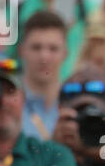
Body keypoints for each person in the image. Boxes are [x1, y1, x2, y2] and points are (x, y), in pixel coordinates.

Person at [18, 11, 71, 140]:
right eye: (36, 47)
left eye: (53, 49)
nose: (44, 56)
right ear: (21, 51)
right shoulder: (8, 103)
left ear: (65, 54)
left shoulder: (75, 103)